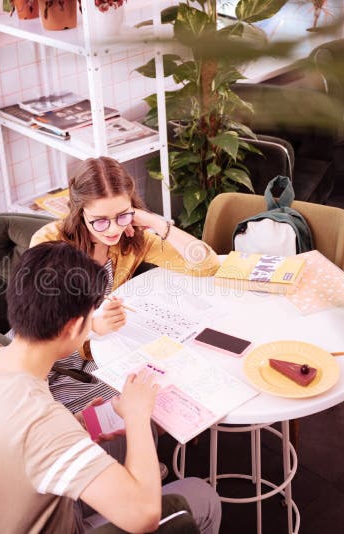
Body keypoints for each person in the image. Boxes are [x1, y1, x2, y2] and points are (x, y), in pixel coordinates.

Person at [0, 242, 221, 533]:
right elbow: (145, 515)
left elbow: (18, 442)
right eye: (93, 317)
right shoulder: (42, 422)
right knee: (202, 496)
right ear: (73, 327)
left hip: (0, 510)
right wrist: (138, 416)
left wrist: (78, 424)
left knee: (125, 433)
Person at [31, 157, 221, 413]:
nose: (112, 230)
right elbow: (41, 319)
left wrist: (156, 222)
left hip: (98, 354)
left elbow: (206, 265)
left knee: (154, 392)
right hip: (47, 357)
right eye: (100, 220)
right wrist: (94, 325)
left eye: (122, 215)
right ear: (79, 212)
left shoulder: (132, 241)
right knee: (85, 415)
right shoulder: (49, 240)